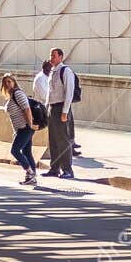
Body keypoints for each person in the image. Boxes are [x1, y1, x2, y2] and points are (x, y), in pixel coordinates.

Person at [46, 47, 76, 179]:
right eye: (51, 56)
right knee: (53, 140)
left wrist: (65, 111)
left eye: (54, 56)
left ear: (61, 57)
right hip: (52, 108)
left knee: (63, 140)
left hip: (61, 107)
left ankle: (67, 169)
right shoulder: (52, 71)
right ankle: (54, 168)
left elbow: (69, 92)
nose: (51, 58)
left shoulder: (66, 71)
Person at [2, 74, 38, 186]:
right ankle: (32, 178)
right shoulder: (12, 95)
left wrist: (30, 125)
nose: (8, 84)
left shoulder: (18, 93)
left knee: (15, 150)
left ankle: (30, 172)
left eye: (9, 81)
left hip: (25, 127)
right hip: (21, 128)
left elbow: (27, 109)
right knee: (27, 152)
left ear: (14, 82)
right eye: (5, 82)